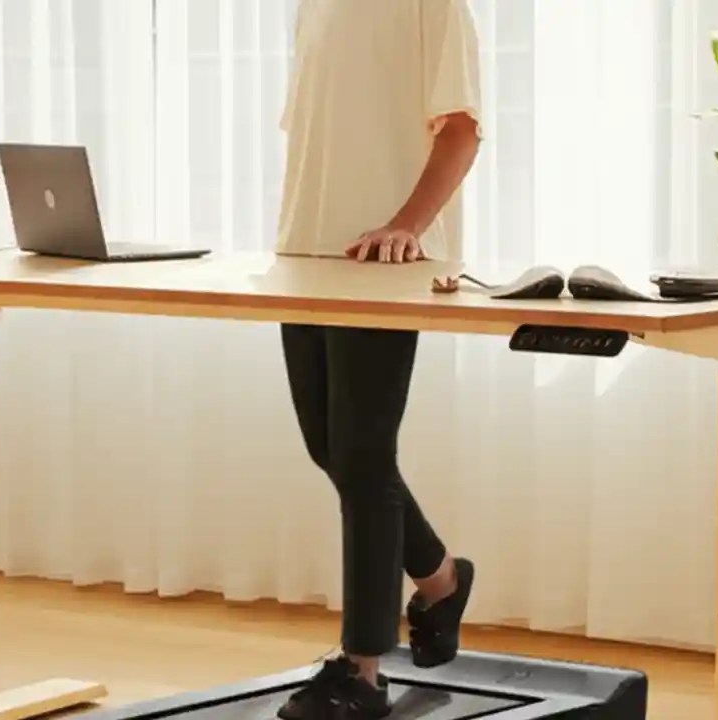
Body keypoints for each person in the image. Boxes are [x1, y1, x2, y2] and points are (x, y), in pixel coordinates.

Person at [273, 1, 484, 718]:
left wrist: (407, 226)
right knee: (329, 446)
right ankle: (441, 582)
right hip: (302, 254)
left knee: (362, 456)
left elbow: (460, 131)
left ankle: (362, 669)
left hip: (381, 261)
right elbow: (313, 137)